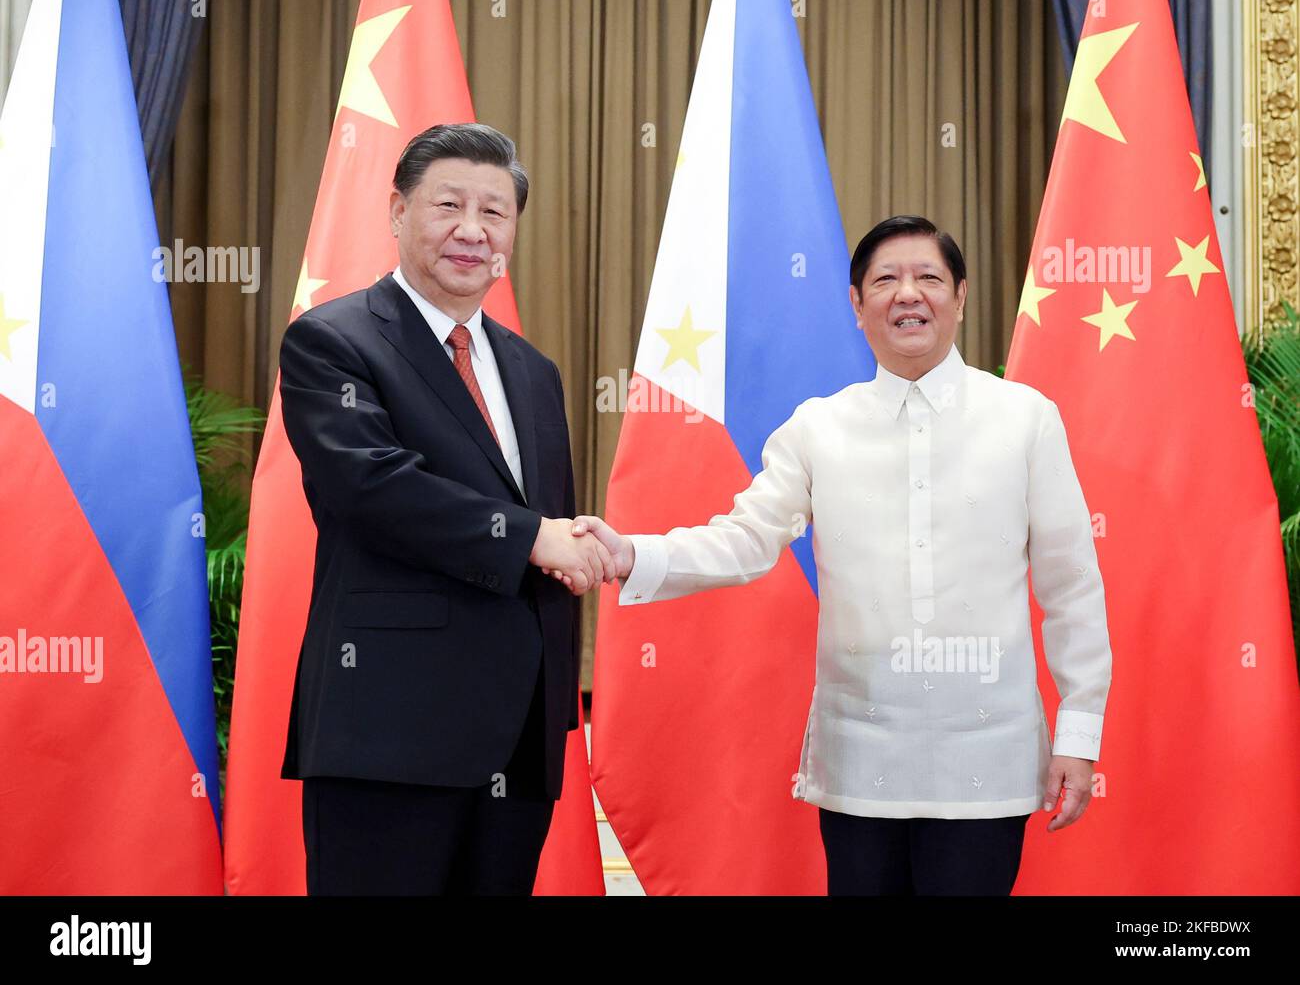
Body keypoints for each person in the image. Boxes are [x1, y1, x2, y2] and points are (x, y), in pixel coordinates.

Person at [559, 215, 1112, 895]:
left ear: (961, 297)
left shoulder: (1026, 418)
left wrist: (1079, 736)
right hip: (861, 763)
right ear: (857, 306)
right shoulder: (819, 427)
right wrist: (628, 555)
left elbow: (1072, 588)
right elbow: (746, 539)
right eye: (886, 280)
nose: (908, 295)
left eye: (929, 278)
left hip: (987, 763)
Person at [278, 122, 615, 895]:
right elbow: (370, 487)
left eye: (494, 212)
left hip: (518, 735)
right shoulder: (333, 341)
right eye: (449, 205)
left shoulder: (535, 371)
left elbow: (545, 523)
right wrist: (535, 538)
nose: (472, 230)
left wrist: (570, 548)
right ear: (397, 211)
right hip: (388, 728)